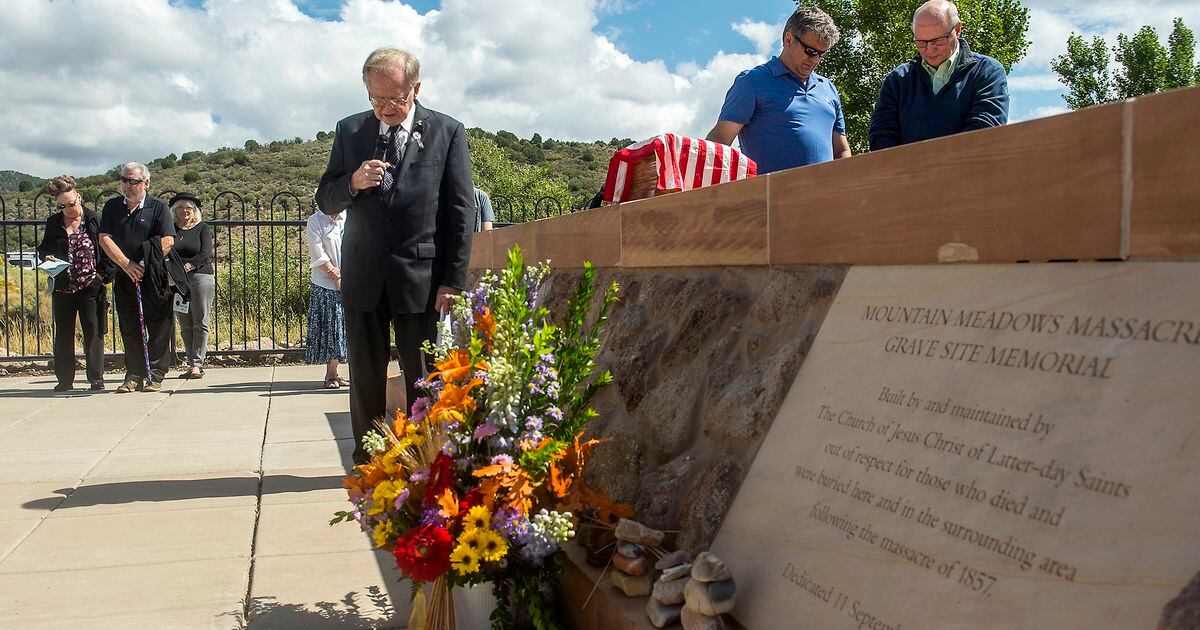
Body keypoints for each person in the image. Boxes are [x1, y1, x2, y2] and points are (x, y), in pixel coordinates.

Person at [316, 47, 474, 465]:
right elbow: (325, 197)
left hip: (421, 278)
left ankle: (425, 459)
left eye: (396, 99)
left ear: (416, 89)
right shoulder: (349, 131)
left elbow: (461, 211)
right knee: (365, 376)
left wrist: (453, 279)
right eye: (376, 99)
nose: (386, 108)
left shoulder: (447, 131)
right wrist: (352, 182)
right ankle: (368, 462)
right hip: (363, 274)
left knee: (422, 375)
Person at [706, 7, 852, 174]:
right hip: (769, 197)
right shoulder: (752, 81)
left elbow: (841, 150)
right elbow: (718, 143)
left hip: (825, 196)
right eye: (810, 51)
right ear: (788, 39)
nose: (815, 60)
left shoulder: (828, 89)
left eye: (821, 54)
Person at [868, 0, 1010, 151]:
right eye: (921, 42)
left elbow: (983, 132)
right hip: (907, 173)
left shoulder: (987, 72)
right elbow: (881, 137)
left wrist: (933, 165)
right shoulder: (897, 81)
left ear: (958, 29)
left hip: (968, 171)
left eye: (938, 41)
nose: (929, 50)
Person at [97, 162, 175, 393]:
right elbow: (104, 237)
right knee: (129, 325)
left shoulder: (158, 207)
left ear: (146, 183)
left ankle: (156, 373)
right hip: (125, 275)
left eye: (133, 181)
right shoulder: (112, 207)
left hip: (153, 274)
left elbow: (168, 240)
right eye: (124, 180)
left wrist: (142, 264)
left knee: (159, 325)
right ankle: (134, 374)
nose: (128, 185)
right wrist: (125, 264)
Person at [36, 176, 110, 392]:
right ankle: (64, 379)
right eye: (62, 206)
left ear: (79, 196)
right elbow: (43, 249)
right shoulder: (53, 222)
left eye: (71, 203)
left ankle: (96, 378)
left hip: (91, 284)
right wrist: (47, 257)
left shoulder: (94, 218)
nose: (69, 209)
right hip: (63, 285)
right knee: (64, 333)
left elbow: (107, 249)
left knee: (93, 331)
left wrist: (101, 276)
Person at [169, 193, 214, 379]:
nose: (184, 210)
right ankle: (190, 362)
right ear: (174, 211)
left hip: (200, 277)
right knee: (185, 322)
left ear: (195, 211)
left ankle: (197, 363)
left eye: (188, 207)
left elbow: (205, 253)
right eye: (180, 207)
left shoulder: (202, 228)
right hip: (177, 280)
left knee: (200, 321)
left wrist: (188, 266)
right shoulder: (170, 229)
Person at [304, 207, 350, 389]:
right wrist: (336, 275)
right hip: (325, 284)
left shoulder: (348, 218)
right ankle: (330, 375)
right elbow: (318, 252)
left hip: (350, 280)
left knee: (345, 329)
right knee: (332, 328)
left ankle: (337, 373)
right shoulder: (315, 221)